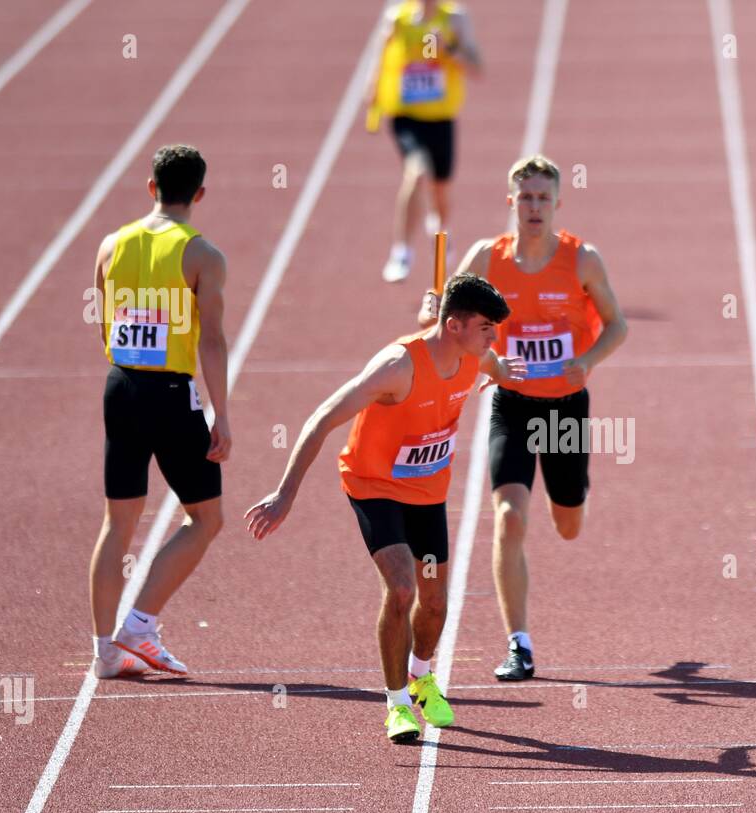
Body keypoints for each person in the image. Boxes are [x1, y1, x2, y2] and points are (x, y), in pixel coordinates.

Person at [245, 273, 522, 743]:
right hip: (374, 485)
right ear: (454, 325)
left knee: (434, 601)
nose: (493, 338)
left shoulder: (476, 356)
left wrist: (502, 372)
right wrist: (285, 493)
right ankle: (396, 703)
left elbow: (491, 363)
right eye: (486, 328)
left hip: (428, 494)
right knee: (401, 588)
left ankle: (421, 675)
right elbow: (322, 418)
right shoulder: (397, 367)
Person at [446, 154, 628, 681]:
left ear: (557, 204)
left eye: (542, 197)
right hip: (513, 406)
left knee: (567, 523)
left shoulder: (581, 260)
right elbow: (449, 320)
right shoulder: (486, 258)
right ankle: (519, 644)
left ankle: (571, 496)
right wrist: (485, 357)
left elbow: (616, 325)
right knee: (508, 517)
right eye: (524, 197)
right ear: (510, 202)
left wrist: (588, 361)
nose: (533, 206)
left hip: (566, 407)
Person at [89, 144, 230, 679]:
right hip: (171, 395)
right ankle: (140, 626)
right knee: (206, 517)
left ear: (151, 187)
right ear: (198, 193)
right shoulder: (203, 255)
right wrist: (222, 416)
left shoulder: (111, 244)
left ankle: (106, 650)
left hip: (120, 387)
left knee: (117, 523)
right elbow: (212, 342)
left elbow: (104, 324)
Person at [368, 0, 482, 282]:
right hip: (406, 117)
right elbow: (381, 57)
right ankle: (401, 251)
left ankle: (441, 229)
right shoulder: (398, 19)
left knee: (440, 191)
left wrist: (449, 50)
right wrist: (372, 95)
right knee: (416, 172)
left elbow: (477, 68)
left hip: (441, 118)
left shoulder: (455, 20)